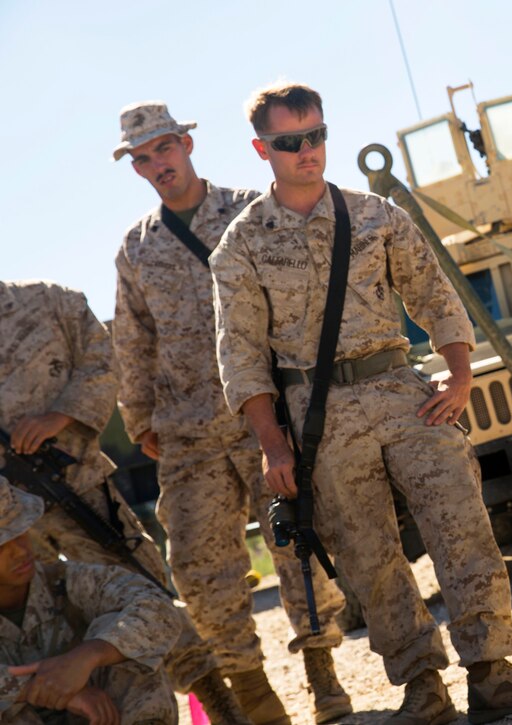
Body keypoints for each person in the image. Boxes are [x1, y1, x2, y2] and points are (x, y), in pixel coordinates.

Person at [210, 82, 512, 725]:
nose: (307, 150)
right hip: (318, 417)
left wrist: (459, 376)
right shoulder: (241, 245)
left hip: (402, 394)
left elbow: (435, 295)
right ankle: (421, 688)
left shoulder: (374, 215)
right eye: (290, 142)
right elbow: (239, 355)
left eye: (317, 135)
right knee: (369, 556)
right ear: (261, 149)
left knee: (463, 524)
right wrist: (273, 445)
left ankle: (493, 674)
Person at [111, 100, 350, 725]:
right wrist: (139, 420)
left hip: (267, 416)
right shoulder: (136, 248)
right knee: (199, 567)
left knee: (299, 543)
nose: (158, 163)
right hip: (188, 432)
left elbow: (302, 298)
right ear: (136, 169)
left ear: (187, 145)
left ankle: (323, 675)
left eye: (165, 148)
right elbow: (133, 339)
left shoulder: (253, 210)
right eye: (144, 158)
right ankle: (252, 694)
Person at [0, 278, 252, 722]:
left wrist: (60, 416)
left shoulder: (51, 301)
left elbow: (101, 359)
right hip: (7, 519)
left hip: (78, 489)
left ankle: (226, 710)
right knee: (30, 634)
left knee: (142, 597)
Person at [0, 479, 180, 725]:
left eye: (21, 532)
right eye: (2, 546)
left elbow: (158, 607)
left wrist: (88, 656)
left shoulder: (65, 580)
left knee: (118, 631)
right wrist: (33, 687)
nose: (20, 551)